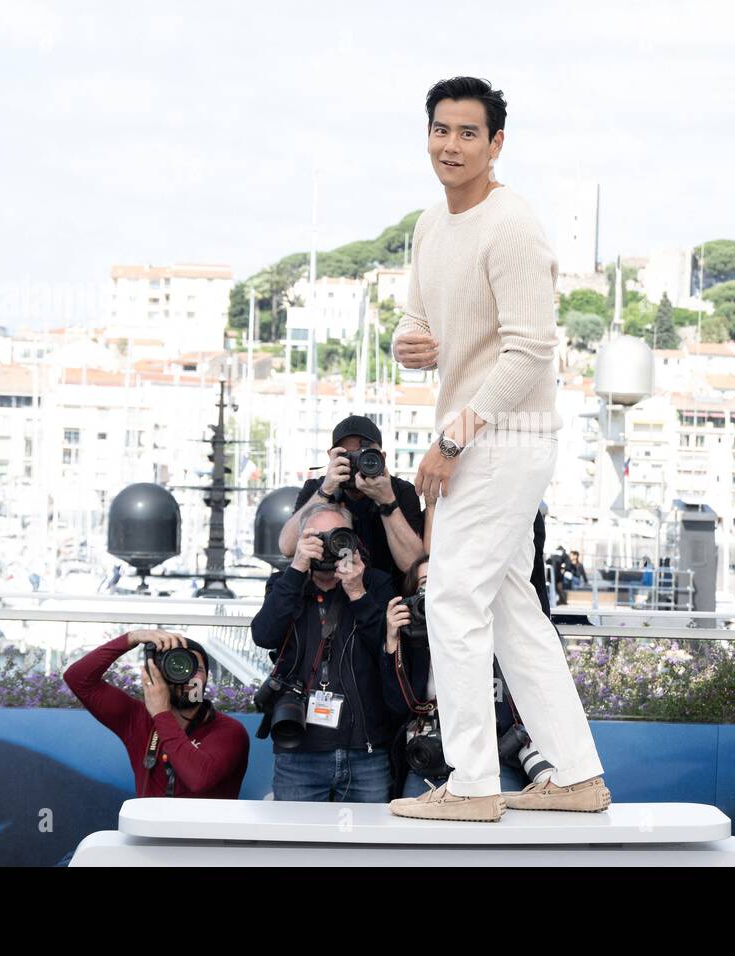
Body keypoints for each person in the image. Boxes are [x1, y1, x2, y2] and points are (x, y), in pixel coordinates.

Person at [387, 75, 608, 821]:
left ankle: (473, 784)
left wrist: (450, 439)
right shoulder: (430, 223)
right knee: (511, 608)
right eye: (440, 130)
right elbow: (416, 321)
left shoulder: (512, 225)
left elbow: (529, 351)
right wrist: (407, 344)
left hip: (503, 437)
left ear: (496, 144)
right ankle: (575, 774)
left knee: (453, 599)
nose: (451, 145)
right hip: (482, 435)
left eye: (468, 133)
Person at [251, 501, 400, 802]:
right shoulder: (286, 584)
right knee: (295, 832)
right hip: (299, 748)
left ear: (353, 542)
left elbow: (387, 650)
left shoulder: (376, 584)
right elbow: (264, 635)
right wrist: (296, 570)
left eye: (337, 536)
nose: (328, 545)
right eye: (317, 538)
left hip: (365, 748)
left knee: (367, 833)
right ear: (302, 542)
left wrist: (357, 593)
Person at [383, 555, 540, 799]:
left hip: (489, 761)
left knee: (502, 817)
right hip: (429, 758)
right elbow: (396, 707)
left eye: (441, 581)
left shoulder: (485, 630)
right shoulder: (411, 643)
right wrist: (393, 640)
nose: (433, 591)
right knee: (411, 821)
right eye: (424, 583)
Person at [63, 629, 249, 799]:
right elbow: (77, 678)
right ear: (157, 674)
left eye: (197, 669)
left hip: (203, 827)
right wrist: (132, 638)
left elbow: (198, 779)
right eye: (176, 667)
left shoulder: (229, 731)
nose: (188, 676)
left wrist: (161, 713)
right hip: (147, 826)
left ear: (207, 677)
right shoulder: (136, 718)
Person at [279, 414, 425, 595]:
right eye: (347, 455)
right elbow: (287, 548)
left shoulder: (400, 492)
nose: (356, 462)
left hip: (388, 600)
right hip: (332, 598)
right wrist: (326, 490)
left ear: (382, 457)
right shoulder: (318, 489)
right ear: (331, 457)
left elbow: (413, 565)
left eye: (365, 455)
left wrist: (387, 501)